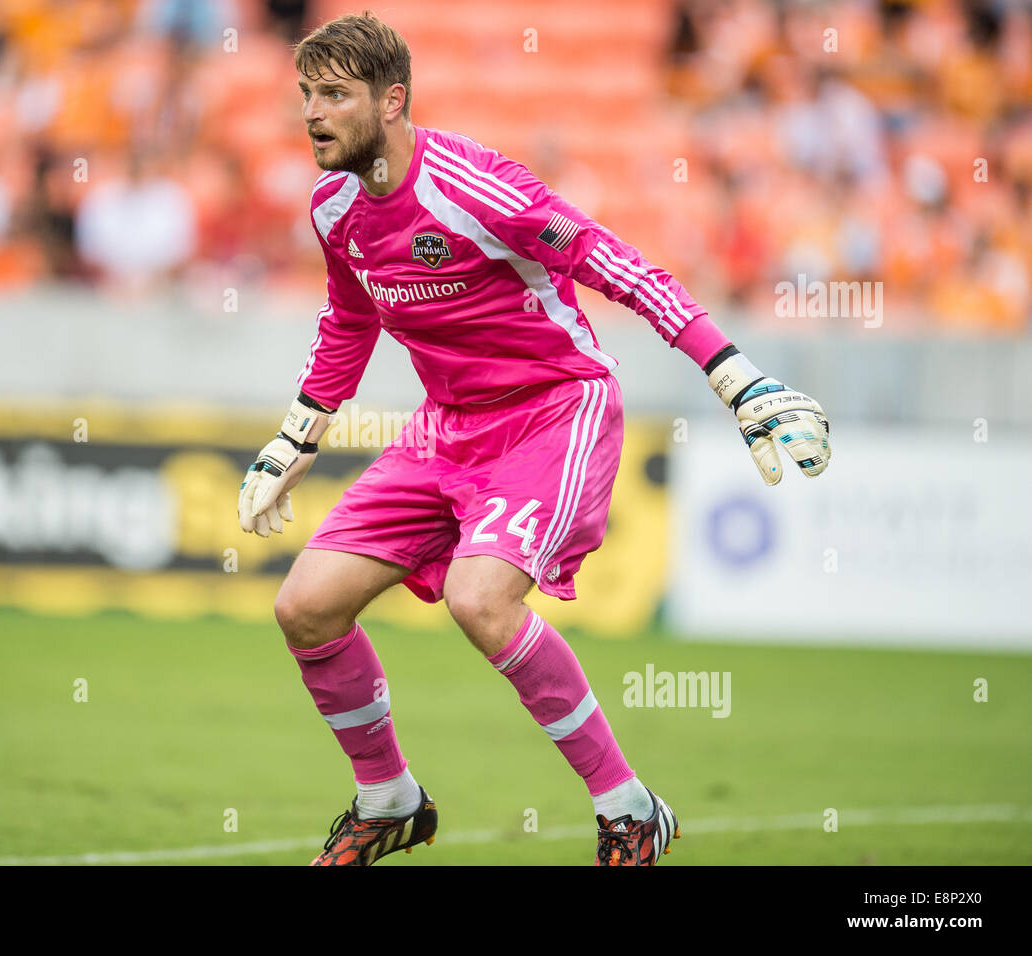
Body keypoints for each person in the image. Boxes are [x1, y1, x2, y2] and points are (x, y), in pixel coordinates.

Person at [236, 12, 831, 867]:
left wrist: (731, 373)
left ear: (392, 100)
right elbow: (349, 318)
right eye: (306, 95)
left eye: (335, 95)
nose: (313, 113)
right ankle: (390, 799)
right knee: (305, 606)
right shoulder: (334, 209)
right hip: (444, 429)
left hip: (554, 409)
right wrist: (294, 440)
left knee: (483, 599)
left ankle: (630, 809)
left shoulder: (476, 187)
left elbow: (616, 264)